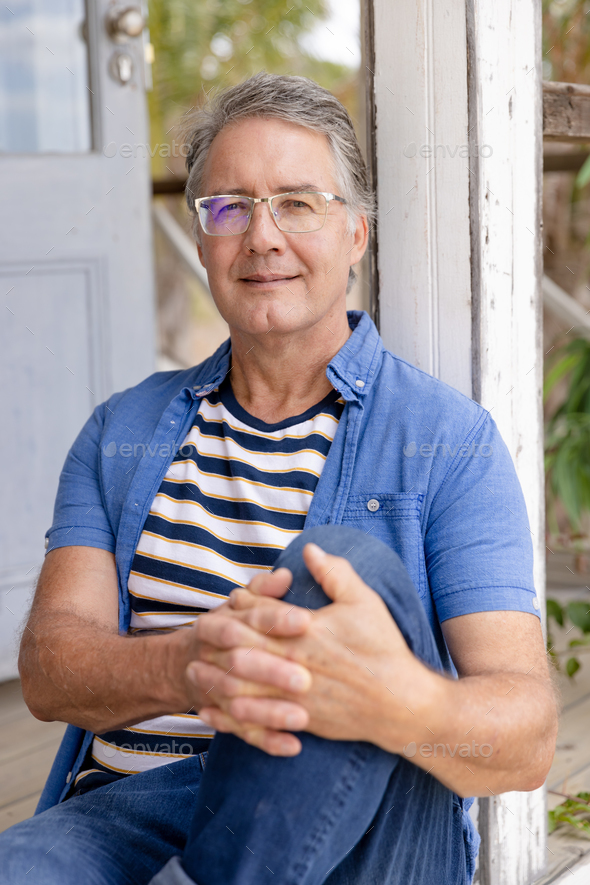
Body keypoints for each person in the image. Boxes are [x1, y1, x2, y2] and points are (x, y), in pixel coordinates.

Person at [1, 73, 557, 885]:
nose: (261, 236)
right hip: (126, 807)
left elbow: (527, 736)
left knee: (340, 570)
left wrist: (396, 697)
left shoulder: (447, 440)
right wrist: (189, 663)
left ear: (357, 233)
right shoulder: (118, 431)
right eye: (229, 206)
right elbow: (51, 670)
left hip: (354, 827)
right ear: (202, 241)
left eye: (298, 202)